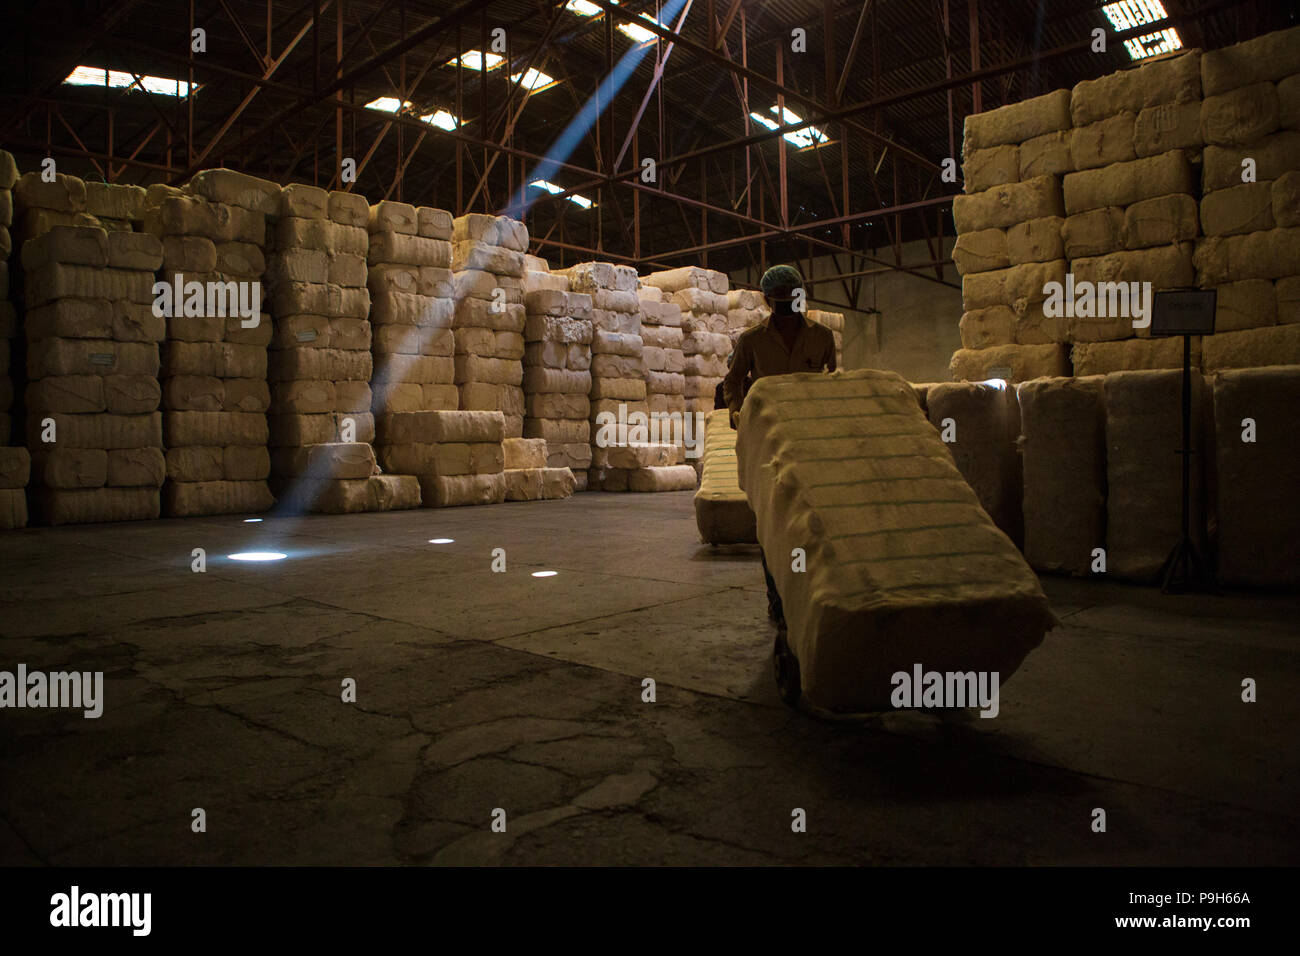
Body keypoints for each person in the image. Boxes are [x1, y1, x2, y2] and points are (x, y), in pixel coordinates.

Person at [722, 264, 836, 629]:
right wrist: (738, 413)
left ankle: (815, 589)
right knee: (773, 523)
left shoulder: (822, 337)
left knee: (812, 521)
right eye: (779, 300)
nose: (786, 305)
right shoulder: (752, 340)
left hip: (810, 438)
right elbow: (733, 381)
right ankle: (777, 597)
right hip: (770, 440)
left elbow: (832, 383)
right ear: (769, 300)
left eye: (792, 298)